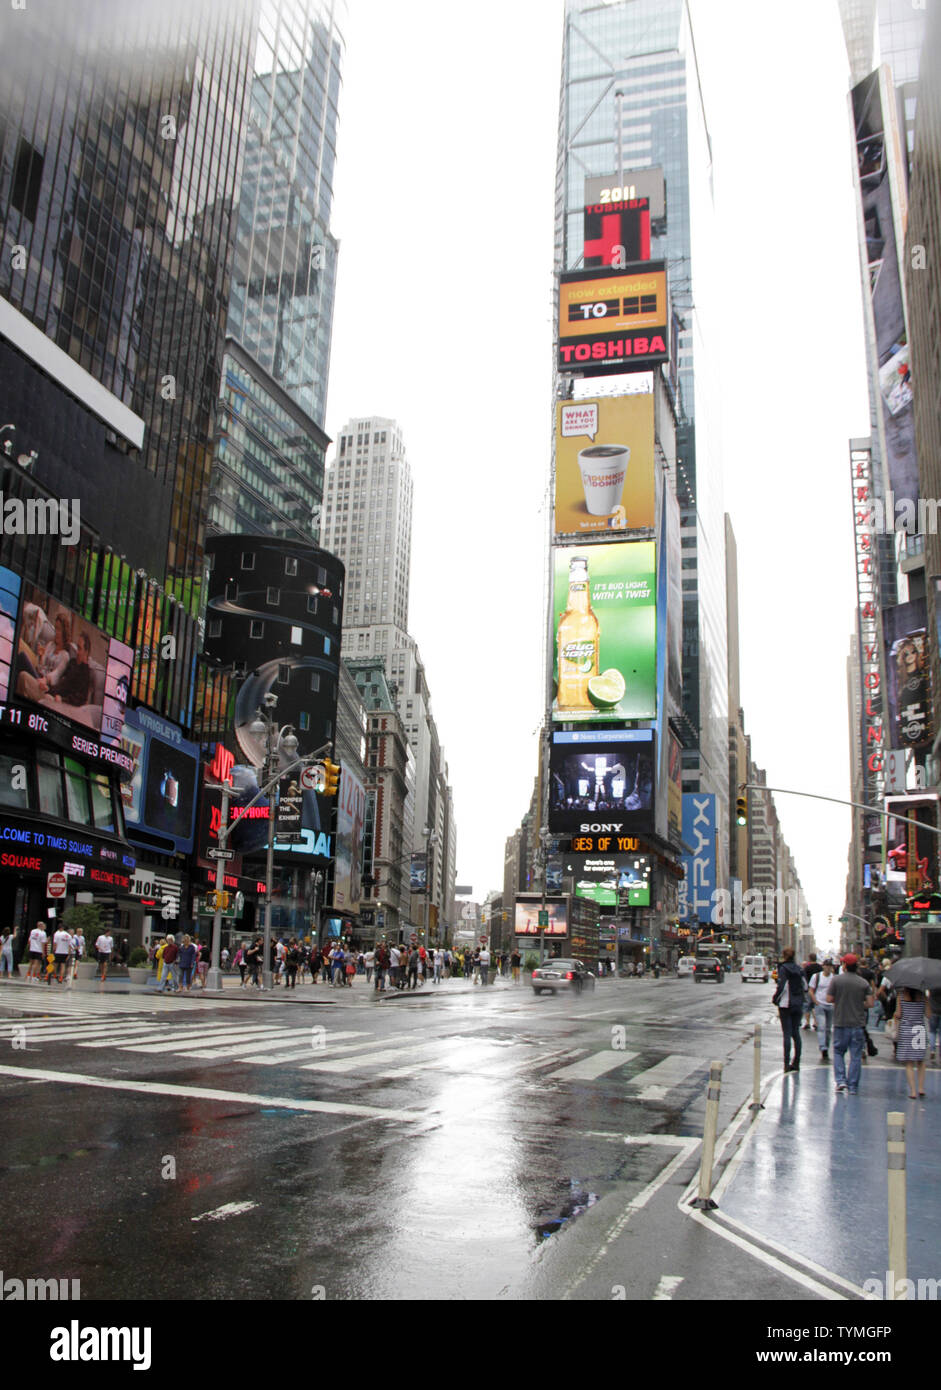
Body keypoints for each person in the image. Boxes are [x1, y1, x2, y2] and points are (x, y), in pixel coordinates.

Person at [829, 954, 874, 1095]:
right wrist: (860, 1004)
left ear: (844, 966)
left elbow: (829, 998)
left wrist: (840, 1000)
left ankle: (841, 1080)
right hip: (857, 1024)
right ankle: (853, 1086)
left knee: (838, 1052)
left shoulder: (836, 980)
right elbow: (871, 1003)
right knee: (855, 1056)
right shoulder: (863, 983)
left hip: (840, 1022)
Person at [772, 947, 808, 1072]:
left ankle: (786, 1064)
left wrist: (775, 998)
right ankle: (796, 1062)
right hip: (798, 1004)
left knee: (786, 1034)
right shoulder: (799, 969)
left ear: (784, 956)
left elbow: (782, 986)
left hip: (786, 1005)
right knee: (796, 1033)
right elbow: (806, 986)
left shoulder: (783, 969)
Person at [896, 987, 929, 1098]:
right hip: (919, 1030)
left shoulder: (901, 995)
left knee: (909, 1062)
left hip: (906, 1029)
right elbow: (928, 1014)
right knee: (921, 1060)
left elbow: (898, 1014)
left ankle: (913, 1091)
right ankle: (921, 1088)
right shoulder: (923, 996)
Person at [808, 958, 836, 1062]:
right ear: (823, 966)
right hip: (820, 1004)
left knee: (828, 1028)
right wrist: (815, 1001)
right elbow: (811, 990)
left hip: (830, 1005)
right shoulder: (816, 976)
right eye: (826, 966)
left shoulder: (834, 978)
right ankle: (822, 1047)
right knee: (822, 1026)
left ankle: (826, 1046)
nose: (828, 968)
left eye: (830, 966)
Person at [801, 953, 819, 1030]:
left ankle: (807, 1023)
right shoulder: (820, 967)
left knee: (807, 1006)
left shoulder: (807, 968)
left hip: (808, 989)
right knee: (815, 1006)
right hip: (817, 989)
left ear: (809, 959)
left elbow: (803, 979)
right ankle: (816, 1022)